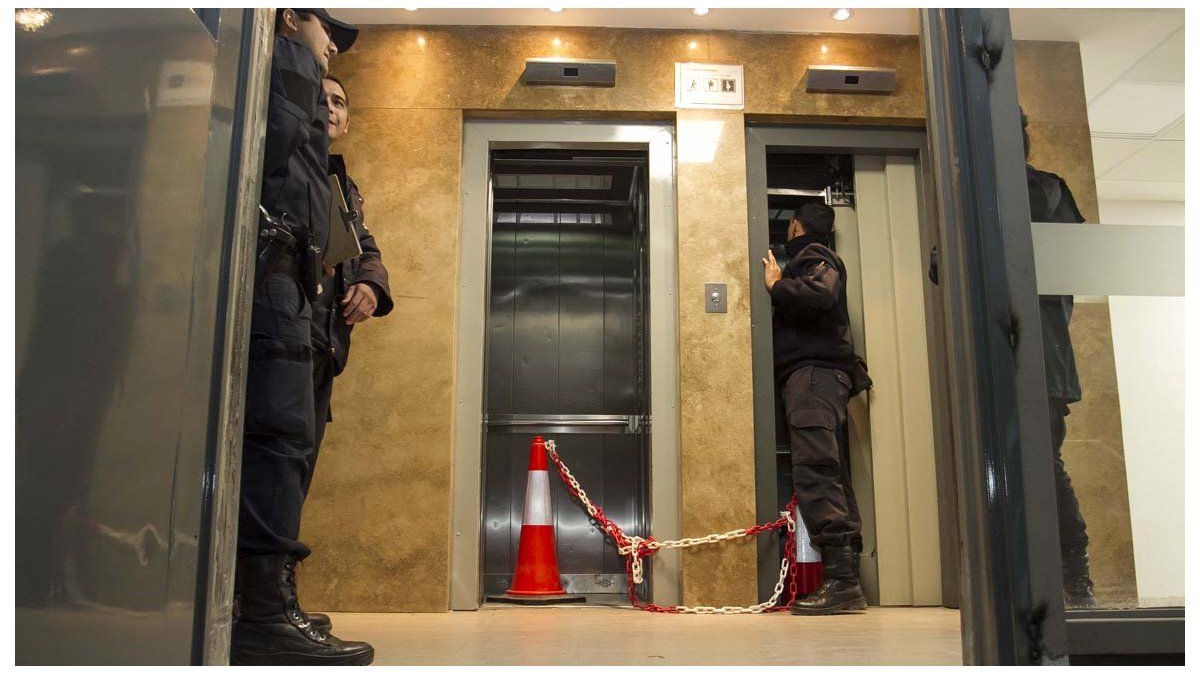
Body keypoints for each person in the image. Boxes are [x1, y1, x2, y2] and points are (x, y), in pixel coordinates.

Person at [232, 8, 375, 666]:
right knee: (277, 445)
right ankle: (264, 613)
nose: (332, 49)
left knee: (288, 449)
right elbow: (270, 155)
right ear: (291, 18)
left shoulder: (336, 163)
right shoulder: (287, 69)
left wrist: (368, 283)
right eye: (327, 32)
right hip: (281, 286)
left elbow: (357, 244)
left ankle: (267, 604)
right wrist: (300, 67)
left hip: (304, 303)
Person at [762, 202, 870, 615]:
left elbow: (820, 292)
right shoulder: (813, 256)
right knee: (829, 471)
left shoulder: (813, 255)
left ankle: (842, 582)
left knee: (817, 471)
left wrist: (777, 286)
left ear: (794, 226)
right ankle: (846, 580)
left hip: (813, 378)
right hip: (818, 379)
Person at [306, 74, 394, 500]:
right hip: (288, 340)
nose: (330, 108)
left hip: (323, 350)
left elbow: (367, 249)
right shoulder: (284, 165)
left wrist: (370, 285)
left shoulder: (341, 183)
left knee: (297, 472)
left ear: (347, 121)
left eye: (339, 102)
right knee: (272, 473)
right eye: (321, 98)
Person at [1021, 108, 1096, 609]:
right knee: (1043, 465)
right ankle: (1071, 575)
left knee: (1040, 466)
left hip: (1031, 355)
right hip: (1042, 355)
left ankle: (1073, 574)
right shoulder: (1052, 191)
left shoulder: (1024, 192)